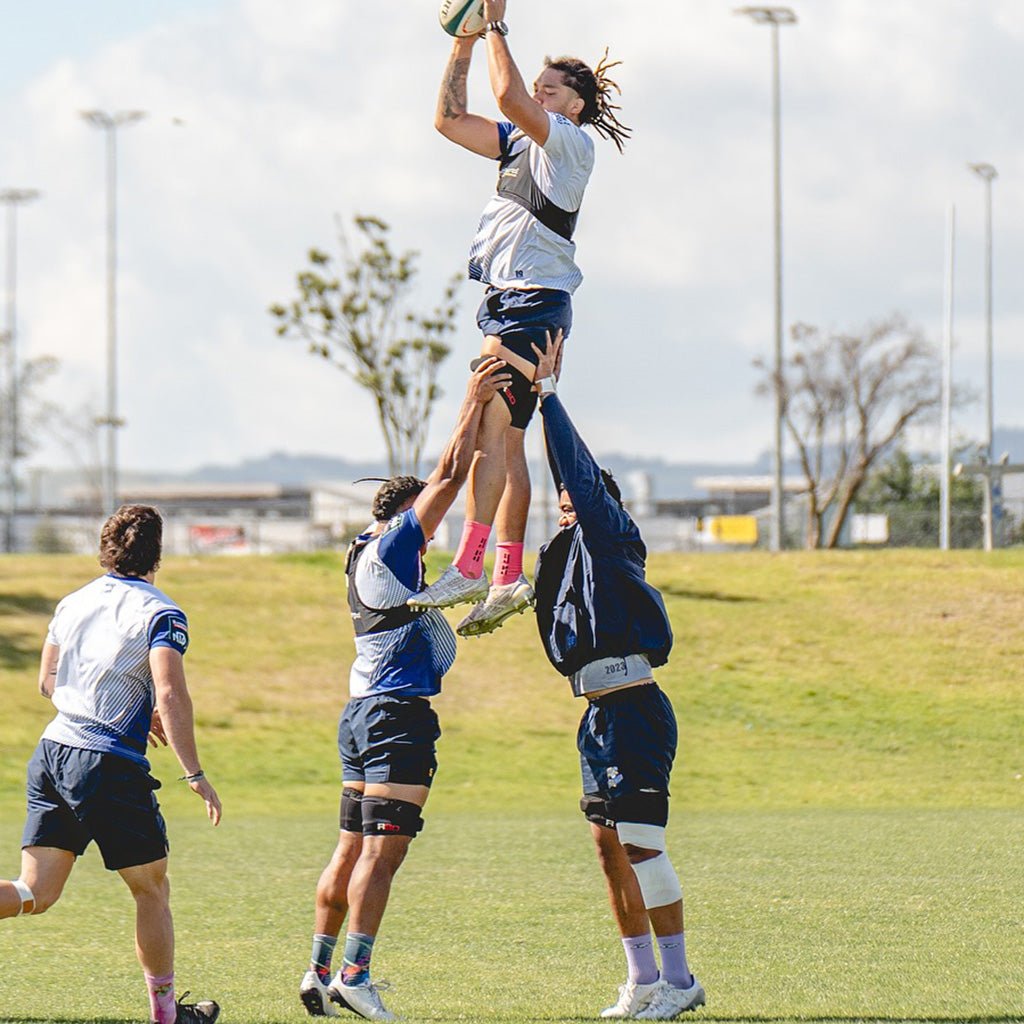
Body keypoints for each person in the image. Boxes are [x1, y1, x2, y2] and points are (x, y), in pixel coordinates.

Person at [299, 357, 511, 1022]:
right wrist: (472, 402)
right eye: (428, 527)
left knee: (349, 848)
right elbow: (450, 475)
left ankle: (318, 969)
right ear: (405, 517)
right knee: (381, 854)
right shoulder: (393, 546)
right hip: (394, 716)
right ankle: (354, 976)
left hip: (362, 713)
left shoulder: (362, 550)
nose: (432, 539)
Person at [414, 0, 631, 639]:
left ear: (574, 106)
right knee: (506, 442)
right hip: (516, 300)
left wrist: (495, 26)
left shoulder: (570, 143)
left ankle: (471, 565)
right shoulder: (521, 145)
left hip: (531, 301)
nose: (538, 95)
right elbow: (449, 120)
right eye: (539, 88)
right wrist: (462, 41)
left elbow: (508, 97)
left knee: (487, 429)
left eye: (550, 90)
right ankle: (506, 574)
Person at [530, 333, 705, 1020]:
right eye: (562, 501)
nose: (566, 503)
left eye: (576, 496)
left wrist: (547, 395)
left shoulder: (612, 534)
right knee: (609, 851)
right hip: (597, 716)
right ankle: (643, 980)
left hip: (635, 712)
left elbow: (576, 470)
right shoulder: (568, 554)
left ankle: (681, 981)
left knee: (642, 846)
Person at [0, 504, 223, 1024]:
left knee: (35, 891)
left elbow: (47, 682)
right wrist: (194, 773)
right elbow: (170, 692)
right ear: (157, 554)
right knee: (151, 889)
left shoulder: (74, 601)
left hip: (53, 752)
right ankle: (167, 1016)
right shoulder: (162, 613)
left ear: (106, 550)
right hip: (105, 765)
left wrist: (121, 705)